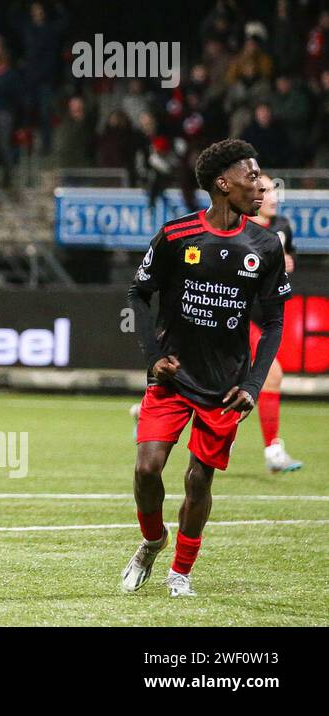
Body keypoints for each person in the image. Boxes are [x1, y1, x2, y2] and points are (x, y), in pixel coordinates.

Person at [121, 139, 290, 597]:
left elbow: (274, 321)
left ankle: (181, 573)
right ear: (223, 184)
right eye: (252, 177)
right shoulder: (177, 237)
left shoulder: (265, 245)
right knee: (146, 470)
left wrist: (254, 383)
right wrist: (153, 358)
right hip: (174, 376)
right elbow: (138, 294)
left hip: (226, 385)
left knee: (199, 479)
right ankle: (153, 541)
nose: (263, 185)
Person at [250, 173, 303, 473]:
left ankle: (146, 411)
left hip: (266, 316)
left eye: (273, 190)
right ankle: (272, 450)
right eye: (265, 191)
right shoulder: (239, 229)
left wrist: (289, 260)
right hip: (239, 315)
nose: (272, 197)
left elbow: (289, 255)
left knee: (222, 382)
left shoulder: (283, 227)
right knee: (273, 374)